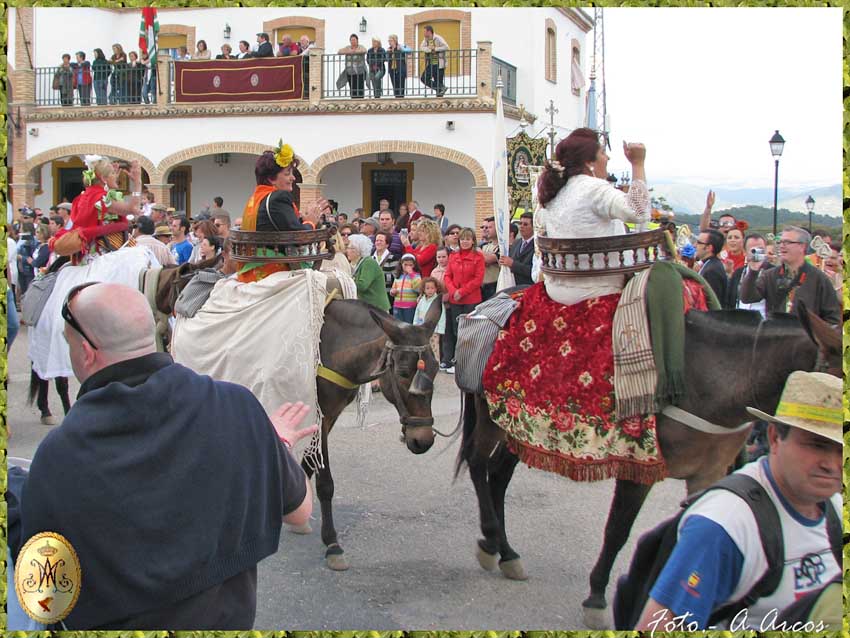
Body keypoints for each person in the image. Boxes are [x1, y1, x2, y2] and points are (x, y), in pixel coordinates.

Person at [16, 282, 315, 629]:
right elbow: (300, 512)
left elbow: (42, 595)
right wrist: (271, 442)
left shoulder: (58, 456)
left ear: (85, 352)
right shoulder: (238, 406)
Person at [634, 371, 842, 631]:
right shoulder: (724, 527)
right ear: (775, 437)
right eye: (818, 445)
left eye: (842, 449)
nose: (832, 464)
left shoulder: (835, 506)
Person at [534, 128, 650, 306]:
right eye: (603, 152)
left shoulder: (554, 192)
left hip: (556, 291)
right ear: (589, 162)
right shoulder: (594, 188)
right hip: (598, 291)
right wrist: (638, 164)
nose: (608, 158)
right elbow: (638, 212)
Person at [238, 140, 330, 282]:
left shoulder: (256, 198)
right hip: (272, 269)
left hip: (251, 269)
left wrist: (303, 220)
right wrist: (311, 222)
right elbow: (298, 237)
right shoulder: (278, 197)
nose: (293, 178)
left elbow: (278, 227)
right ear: (271, 178)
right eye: (287, 173)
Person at [739, 226, 840, 325]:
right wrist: (753, 271)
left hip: (804, 339)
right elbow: (747, 298)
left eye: (787, 242)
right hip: (776, 338)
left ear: (802, 246)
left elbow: (832, 319)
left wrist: (811, 334)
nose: (781, 246)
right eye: (780, 242)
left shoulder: (818, 278)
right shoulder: (770, 275)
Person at [50, 156, 141, 264]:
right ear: (103, 178)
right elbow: (133, 209)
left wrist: (110, 182)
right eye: (112, 174)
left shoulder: (86, 196)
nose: (116, 176)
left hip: (87, 254)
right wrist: (137, 182)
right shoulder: (101, 199)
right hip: (103, 255)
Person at [442, 227, 485, 373]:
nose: (465, 242)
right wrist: (454, 291)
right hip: (455, 300)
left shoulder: (478, 258)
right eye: (462, 239)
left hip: (471, 300)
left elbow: (478, 279)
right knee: (456, 331)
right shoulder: (453, 256)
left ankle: (470, 362)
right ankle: (457, 361)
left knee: (470, 333)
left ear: (473, 241)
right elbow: (447, 276)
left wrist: (462, 291)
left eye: (467, 239)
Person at [726, 232, 770, 313]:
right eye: (753, 250)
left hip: (764, 322)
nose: (757, 253)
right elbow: (730, 301)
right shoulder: (739, 273)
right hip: (741, 321)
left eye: (761, 249)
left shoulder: (772, 272)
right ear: (745, 252)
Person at [347, 234, 390, 312]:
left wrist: (346, 282)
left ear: (359, 251)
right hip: (367, 308)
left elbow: (362, 285)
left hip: (377, 308)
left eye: (351, 248)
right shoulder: (358, 263)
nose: (348, 251)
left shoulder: (368, 263)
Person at [414, 276, 446, 360]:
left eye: (432, 288)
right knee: (423, 347)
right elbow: (417, 313)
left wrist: (439, 330)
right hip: (421, 328)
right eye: (427, 288)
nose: (430, 290)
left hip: (434, 330)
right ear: (424, 289)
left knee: (434, 348)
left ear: (436, 289)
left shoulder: (437, 302)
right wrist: (415, 325)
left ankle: (435, 363)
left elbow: (442, 317)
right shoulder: (421, 301)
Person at [499, 211, 535, 286]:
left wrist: (513, 264)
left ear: (533, 227)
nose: (521, 226)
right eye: (520, 223)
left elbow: (534, 270)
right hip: (513, 285)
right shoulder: (516, 243)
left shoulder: (537, 246)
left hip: (528, 286)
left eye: (525, 224)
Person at [695, 228, 728, 303]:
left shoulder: (712, 270)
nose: (695, 245)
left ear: (709, 248)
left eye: (698, 242)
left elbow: (712, 302)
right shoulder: (709, 264)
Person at [390, 253, 421, 323]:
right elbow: (393, 289)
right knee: (398, 324)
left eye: (410, 265)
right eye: (405, 265)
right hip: (397, 306)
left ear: (414, 265)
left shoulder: (416, 276)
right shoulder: (398, 276)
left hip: (410, 307)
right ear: (401, 264)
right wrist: (392, 292)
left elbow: (418, 289)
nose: (408, 267)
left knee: (408, 324)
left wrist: (411, 274)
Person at [419, 25, 449, 97]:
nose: (424, 33)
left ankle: (439, 99)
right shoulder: (426, 39)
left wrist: (435, 49)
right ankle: (441, 87)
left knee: (439, 81)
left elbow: (446, 47)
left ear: (429, 32)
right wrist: (429, 50)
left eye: (425, 32)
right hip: (431, 63)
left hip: (439, 63)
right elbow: (421, 47)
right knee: (424, 78)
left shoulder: (438, 38)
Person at [339, 34, 367, 99]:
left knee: (360, 86)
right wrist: (348, 51)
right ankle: (353, 100)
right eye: (351, 40)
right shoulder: (348, 47)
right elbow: (339, 51)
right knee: (352, 87)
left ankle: (360, 100)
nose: (353, 41)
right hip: (350, 72)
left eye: (354, 40)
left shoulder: (360, 46)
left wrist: (355, 51)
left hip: (359, 71)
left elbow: (365, 50)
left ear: (357, 40)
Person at [479, 216, 500, 301]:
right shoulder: (484, 246)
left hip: (494, 286)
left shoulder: (503, 247)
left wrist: (477, 251)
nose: (486, 230)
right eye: (485, 227)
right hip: (482, 286)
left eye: (490, 227)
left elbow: (486, 260)